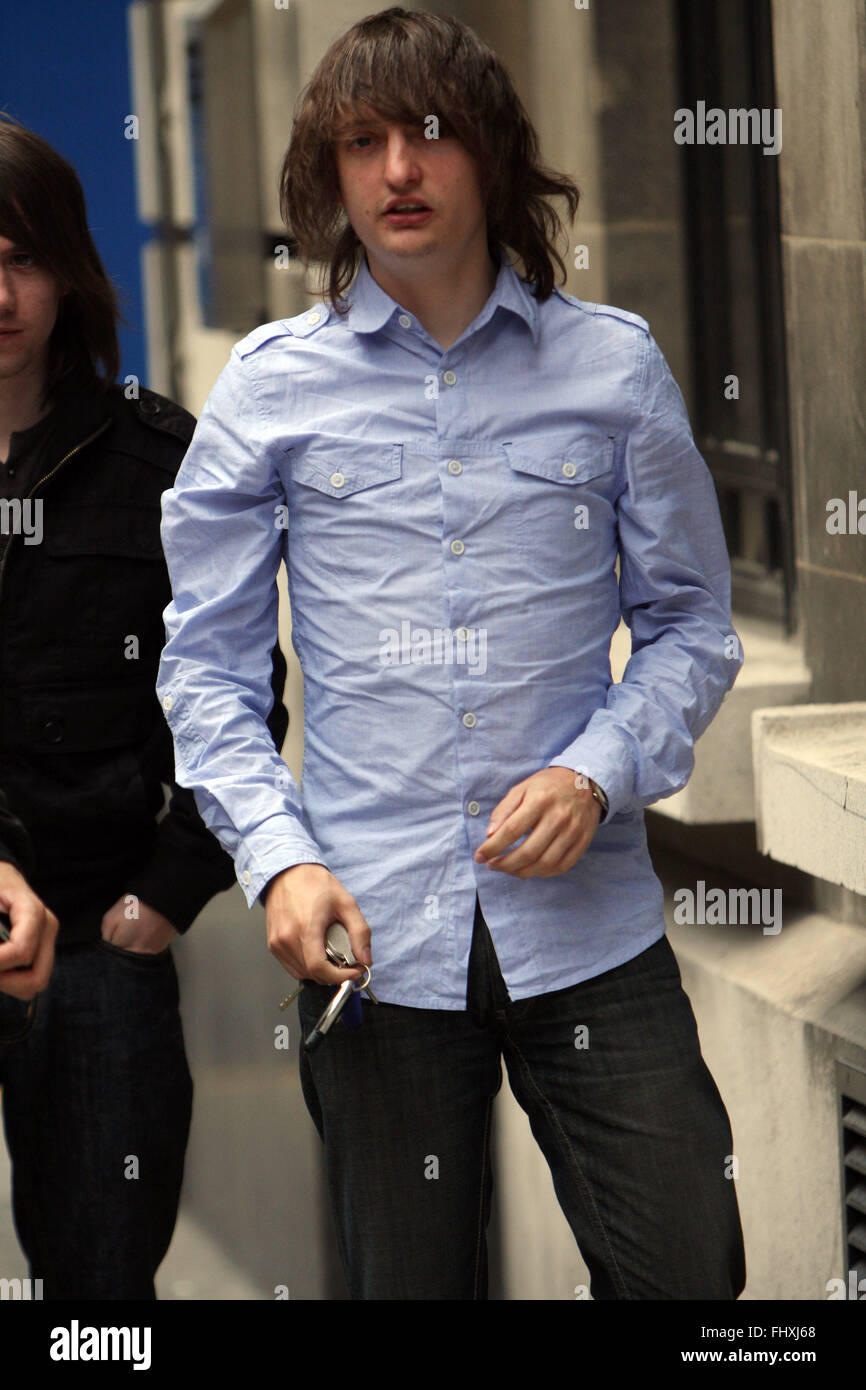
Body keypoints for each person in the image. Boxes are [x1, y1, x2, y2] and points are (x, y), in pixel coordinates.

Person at [157, 7, 747, 1299]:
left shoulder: (614, 370)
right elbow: (202, 669)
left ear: (487, 153)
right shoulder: (269, 390)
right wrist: (278, 861)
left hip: (587, 925)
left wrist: (597, 769)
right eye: (360, 144)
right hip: (368, 944)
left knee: (689, 1270)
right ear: (329, 177)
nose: (396, 171)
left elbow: (691, 623)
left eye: (426, 135)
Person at [0, 116, 289, 1299]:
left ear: (69, 268)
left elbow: (238, 694)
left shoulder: (156, 459)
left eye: (18, 256)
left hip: (98, 949)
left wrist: (162, 900)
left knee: (103, 1302)